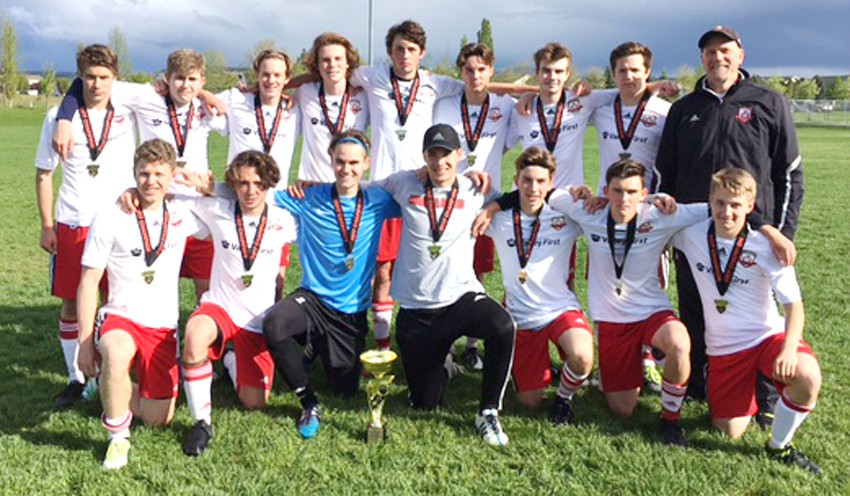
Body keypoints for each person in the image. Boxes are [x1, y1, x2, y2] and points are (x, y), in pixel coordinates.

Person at [656, 26, 802, 421]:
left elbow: (788, 173)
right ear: (702, 59)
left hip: (756, 234)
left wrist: (781, 232)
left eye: (724, 50)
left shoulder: (768, 102)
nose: (716, 57)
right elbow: (664, 173)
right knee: (696, 308)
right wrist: (666, 226)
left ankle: (767, 400)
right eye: (708, 52)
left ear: (740, 54)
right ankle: (702, 387)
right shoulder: (684, 110)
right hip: (696, 235)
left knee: (759, 314)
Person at [671, 168, 820, 474]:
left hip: (766, 337)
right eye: (720, 203)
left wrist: (789, 349)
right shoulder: (690, 233)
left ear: (750, 207)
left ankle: (779, 445)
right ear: (710, 201)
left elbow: (794, 307)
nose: (727, 212)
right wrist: (660, 199)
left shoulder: (768, 247)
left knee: (808, 377)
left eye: (736, 205)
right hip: (724, 349)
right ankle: (752, 397)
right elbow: (655, 215)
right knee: (729, 430)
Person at [547, 160, 703, 445]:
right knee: (622, 410)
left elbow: (714, 209)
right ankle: (631, 366)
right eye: (617, 191)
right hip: (612, 320)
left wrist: (769, 231)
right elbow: (553, 196)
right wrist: (576, 190)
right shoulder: (591, 212)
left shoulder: (659, 214)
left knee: (679, 343)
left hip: (651, 311)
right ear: (606, 190)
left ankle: (670, 421)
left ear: (644, 193)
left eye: (632, 192)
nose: (624, 199)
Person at [379, 124, 515, 446]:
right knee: (424, 403)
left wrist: (493, 206)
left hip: (459, 298)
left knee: (502, 326)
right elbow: (365, 191)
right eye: (432, 154)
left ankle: (488, 411)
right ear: (424, 157)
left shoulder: (473, 188)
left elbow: (516, 198)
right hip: (416, 309)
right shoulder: (403, 182)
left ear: (459, 156)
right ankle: (446, 368)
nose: (440, 162)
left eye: (446, 154)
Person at [55, 48, 224, 301]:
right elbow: (86, 81)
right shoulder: (146, 97)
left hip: (199, 208)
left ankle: (203, 340)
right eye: (179, 78)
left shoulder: (207, 108)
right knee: (154, 285)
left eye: (192, 79)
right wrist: (64, 119)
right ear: (166, 78)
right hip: (156, 204)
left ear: (202, 81)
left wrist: (206, 95)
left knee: (206, 291)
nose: (185, 85)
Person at [261, 130, 400, 439]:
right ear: (331, 161)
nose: (346, 169)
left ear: (366, 163)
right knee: (275, 324)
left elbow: (423, 192)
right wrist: (206, 185)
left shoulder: (379, 201)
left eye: (353, 162)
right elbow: (255, 192)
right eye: (339, 162)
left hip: (349, 313)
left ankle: (313, 347)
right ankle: (308, 402)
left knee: (345, 388)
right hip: (312, 299)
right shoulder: (309, 197)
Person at [76, 139, 205, 469]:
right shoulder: (110, 215)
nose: (151, 181)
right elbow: (89, 281)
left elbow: (232, 203)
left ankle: (109, 382)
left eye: (160, 173)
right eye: (144, 173)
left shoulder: (182, 214)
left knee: (157, 419)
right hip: (122, 317)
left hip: (162, 327)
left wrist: (203, 184)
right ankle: (117, 439)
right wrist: (85, 342)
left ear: (172, 174)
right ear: (133, 174)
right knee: (116, 349)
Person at [34, 44, 137, 409]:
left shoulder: (128, 113)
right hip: (73, 224)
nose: (97, 84)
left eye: (104, 77)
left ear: (115, 78)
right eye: (90, 77)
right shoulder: (57, 117)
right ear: (81, 78)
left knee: (113, 302)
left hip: (116, 224)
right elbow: (44, 175)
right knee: (70, 304)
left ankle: (110, 370)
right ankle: (77, 378)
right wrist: (48, 226)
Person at [179, 151, 297, 456]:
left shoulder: (284, 219)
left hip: (257, 321)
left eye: (258, 183)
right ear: (233, 184)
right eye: (242, 183)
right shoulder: (218, 209)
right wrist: (131, 192)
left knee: (255, 403)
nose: (250, 191)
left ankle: (229, 356)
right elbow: (169, 198)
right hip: (219, 308)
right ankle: (201, 423)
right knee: (194, 335)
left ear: (269, 183)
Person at [485, 147, 592, 425]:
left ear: (551, 183)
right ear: (516, 179)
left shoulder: (564, 216)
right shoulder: (497, 217)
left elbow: (606, 210)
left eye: (541, 181)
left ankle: (563, 399)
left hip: (560, 309)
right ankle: (537, 370)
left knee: (582, 356)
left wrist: (584, 194)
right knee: (529, 402)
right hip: (521, 317)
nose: (533, 188)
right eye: (527, 180)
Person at [590, 41, 672, 391]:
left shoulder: (665, 111)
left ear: (647, 72)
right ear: (613, 74)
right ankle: (605, 359)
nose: (629, 76)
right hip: (607, 207)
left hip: (647, 210)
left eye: (636, 69)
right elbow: (557, 92)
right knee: (606, 285)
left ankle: (648, 357)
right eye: (622, 70)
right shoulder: (601, 105)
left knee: (651, 282)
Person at [434, 42, 517, 371]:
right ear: (461, 71)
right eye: (468, 69)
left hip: (486, 203)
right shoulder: (445, 106)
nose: (475, 75)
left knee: (477, 272)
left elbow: (506, 144)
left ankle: (471, 344)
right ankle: (447, 343)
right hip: (448, 201)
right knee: (448, 269)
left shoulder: (506, 106)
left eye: (481, 69)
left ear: (491, 71)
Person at [295, 33, 370, 183]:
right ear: (317, 64)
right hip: (314, 187)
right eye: (325, 60)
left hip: (351, 188)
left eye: (338, 59)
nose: (332, 65)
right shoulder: (305, 92)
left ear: (347, 62)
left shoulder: (364, 96)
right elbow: (275, 87)